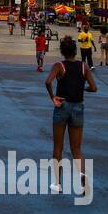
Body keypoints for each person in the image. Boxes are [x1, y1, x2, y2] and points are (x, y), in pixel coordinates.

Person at [45, 37, 98, 194]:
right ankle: (82, 183)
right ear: (75, 51)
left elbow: (48, 81)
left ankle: (57, 183)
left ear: (62, 51)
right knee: (76, 149)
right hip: (78, 107)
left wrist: (52, 97)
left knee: (58, 147)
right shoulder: (84, 66)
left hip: (62, 105)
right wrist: (82, 89)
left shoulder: (59, 66)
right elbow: (94, 88)